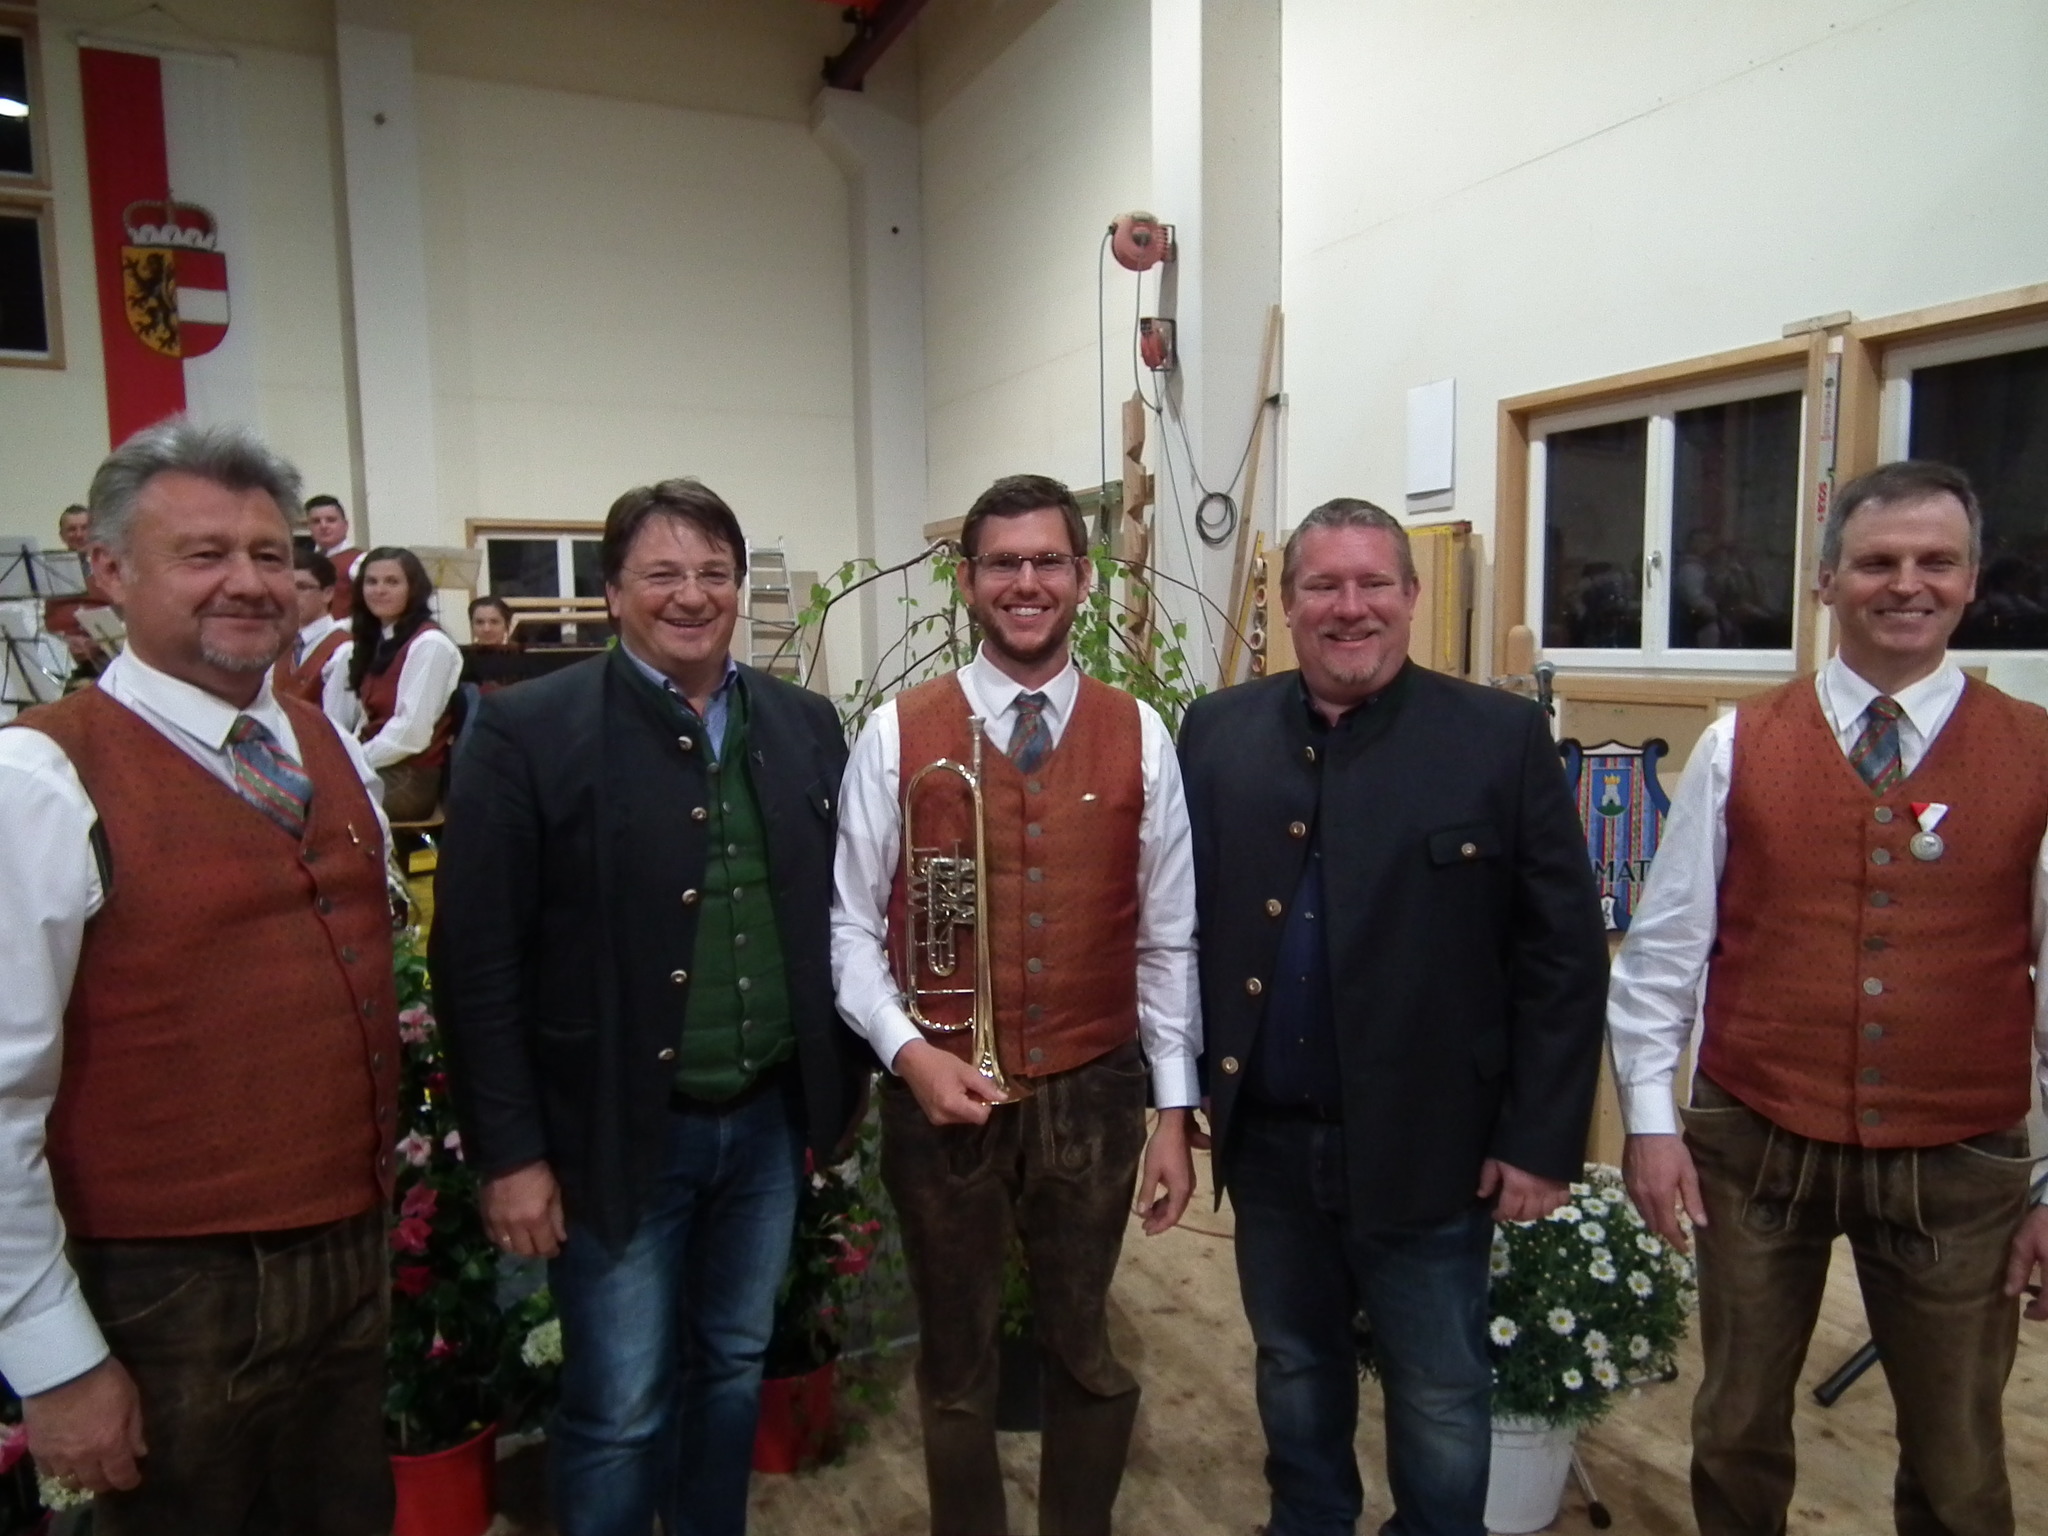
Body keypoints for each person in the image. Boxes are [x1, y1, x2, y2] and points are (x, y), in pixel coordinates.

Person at [1610, 459, 2048, 1536]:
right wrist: (1651, 1125)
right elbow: (1665, 952)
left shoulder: (2035, 752)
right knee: (1735, 1430)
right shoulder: (1736, 743)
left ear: (1968, 580)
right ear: (1825, 584)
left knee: (1957, 1464)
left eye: (1932, 561)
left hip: (1959, 1160)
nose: (1905, 583)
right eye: (1876, 562)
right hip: (1756, 1135)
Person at [434, 478, 866, 1536]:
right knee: (620, 1406)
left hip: (764, 1126)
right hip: (614, 1134)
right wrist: (511, 1156)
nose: (691, 596)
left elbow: (846, 916)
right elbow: (475, 961)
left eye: (713, 574)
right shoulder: (527, 732)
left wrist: (832, 1104)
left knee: (729, 1367)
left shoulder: (804, 724)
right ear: (614, 593)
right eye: (663, 574)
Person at [1178, 497, 1608, 1536]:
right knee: (1291, 1365)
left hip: (1435, 1146)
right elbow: (1176, 922)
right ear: (1285, 607)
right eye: (1322, 586)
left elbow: (1560, 955)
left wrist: (1540, 1141)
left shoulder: (1497, 739)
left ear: (1411, 600)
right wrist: (1176, 1095)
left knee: (1441, 1388)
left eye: (1374, 583)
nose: (1349, 607)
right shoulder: (1217, 732)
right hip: (1272, 1140)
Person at [0, 418, 398, 1535]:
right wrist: (55, 1358)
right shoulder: (39, 775)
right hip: (162, 1290)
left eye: (270, 556)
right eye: (204, 554)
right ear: (110, 573)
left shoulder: (324, 745)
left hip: (344, 1256)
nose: (248, 583)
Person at [831, 472, 1200, 1536]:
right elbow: (849, 929)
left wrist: (1173, 1115)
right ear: (966, 582)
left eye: (1047, 561)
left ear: (1082, 578)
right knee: (954, 1363)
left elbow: (1167, 941)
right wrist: (908, 1053)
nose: (1025, 582)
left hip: (1094, 1089)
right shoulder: (898, 734)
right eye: (1003, 562)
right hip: (938, 1092)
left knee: (1083, 1350)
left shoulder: (1144, 737)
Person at [331, 546, 462, 821]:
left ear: (413, 589)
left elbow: (410, 735)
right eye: (371, 582)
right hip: (379, 765)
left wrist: (350, 761)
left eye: (392, 582)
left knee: (315, 809)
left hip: (410, 779)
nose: (379, 590)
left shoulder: (430, 645)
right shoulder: (379, 641)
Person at [273, 548, 353, 707]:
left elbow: (335, 722)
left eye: (302, 587)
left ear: (327, 593)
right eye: (288, 587)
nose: (292, 596)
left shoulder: (344, 649)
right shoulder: (282, 645)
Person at [43, 504, 113, 678]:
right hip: (61, 655)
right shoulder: (48, 569)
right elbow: (45, 620)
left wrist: (95, 643)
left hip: (105, 653)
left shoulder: (112, 566)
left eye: (84, 528)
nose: (79, 534)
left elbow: (127, 614)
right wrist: (63, 643)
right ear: (62, 536)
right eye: (72, 529)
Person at [305, 493, 361, 620]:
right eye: (316, 521)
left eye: (331, 520)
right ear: (309, 527)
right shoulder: (304, 562)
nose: (323, 526)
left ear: (345, 525)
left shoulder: (359, 560)